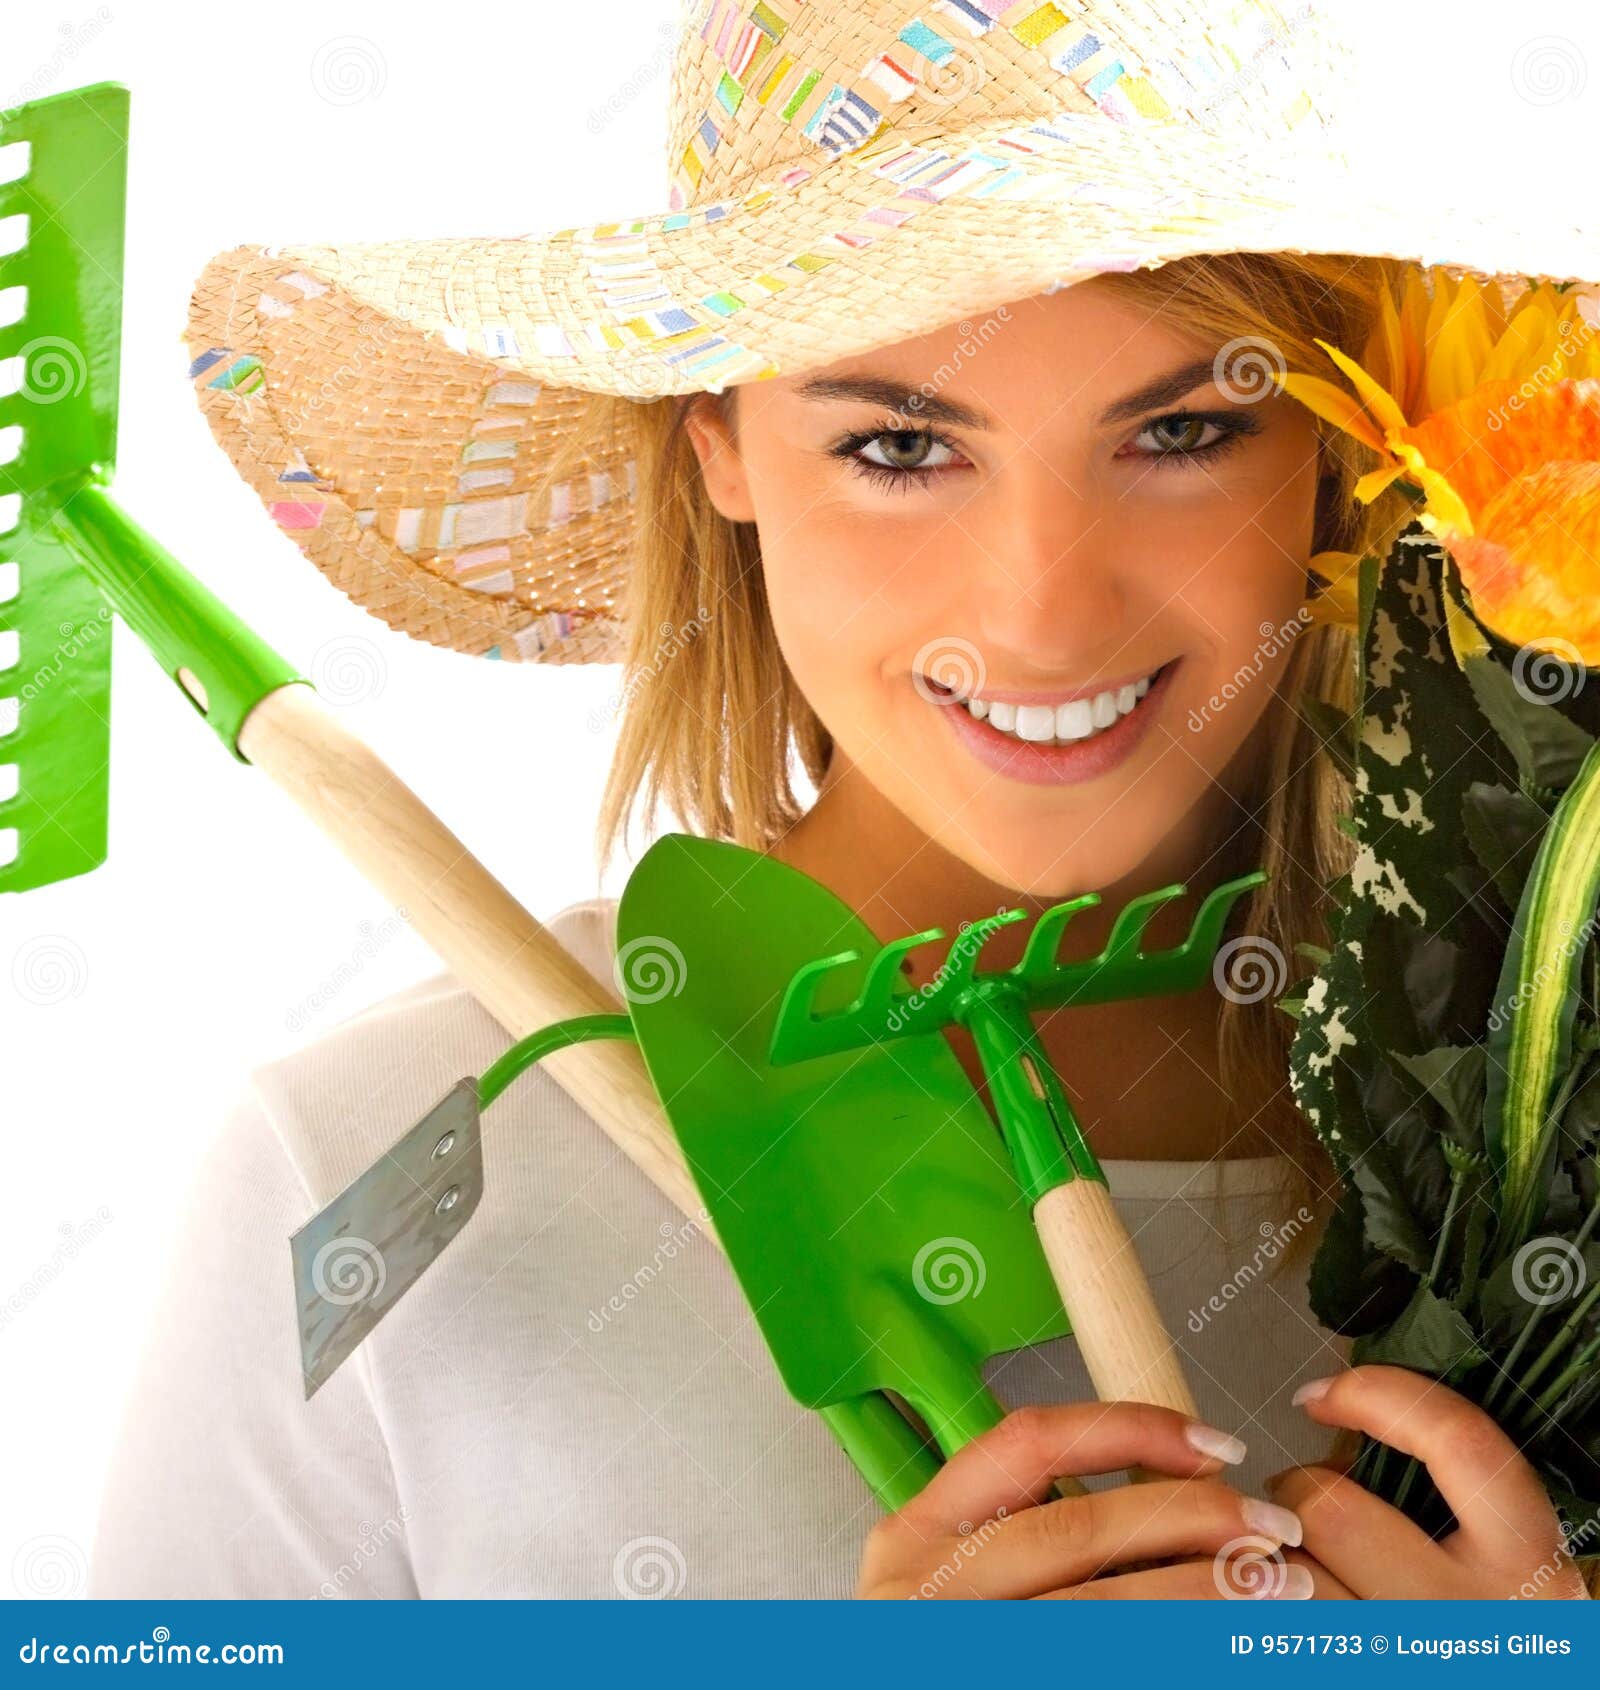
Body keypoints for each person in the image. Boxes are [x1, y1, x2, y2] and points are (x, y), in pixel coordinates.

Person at [89, 0, 1595, 1600]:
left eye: (1183, 430)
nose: (1042, 614)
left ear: (1344, 454)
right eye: (898, 446)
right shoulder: (355, 1177)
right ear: (720, 446)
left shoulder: (1559, 1113)